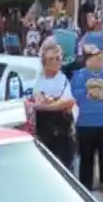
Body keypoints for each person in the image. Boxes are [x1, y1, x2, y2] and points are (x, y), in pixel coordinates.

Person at [70, 42, 103, 191]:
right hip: (86, 124)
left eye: (99, 56)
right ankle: (86, 186)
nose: (98, 59)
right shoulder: (79, 76)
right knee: (86, 157)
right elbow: (75, 95)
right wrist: (88, 93)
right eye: (94, 57)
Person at [31, 40, 77, 168]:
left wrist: (49, 105)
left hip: (63, 134)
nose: (56, 62)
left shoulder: (63, 80)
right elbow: (37, 101)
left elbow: (68, 103)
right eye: (51, 59)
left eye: (58, 58)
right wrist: (54, 104)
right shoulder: (39, 80)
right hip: (44, 132)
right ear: (44, 62)